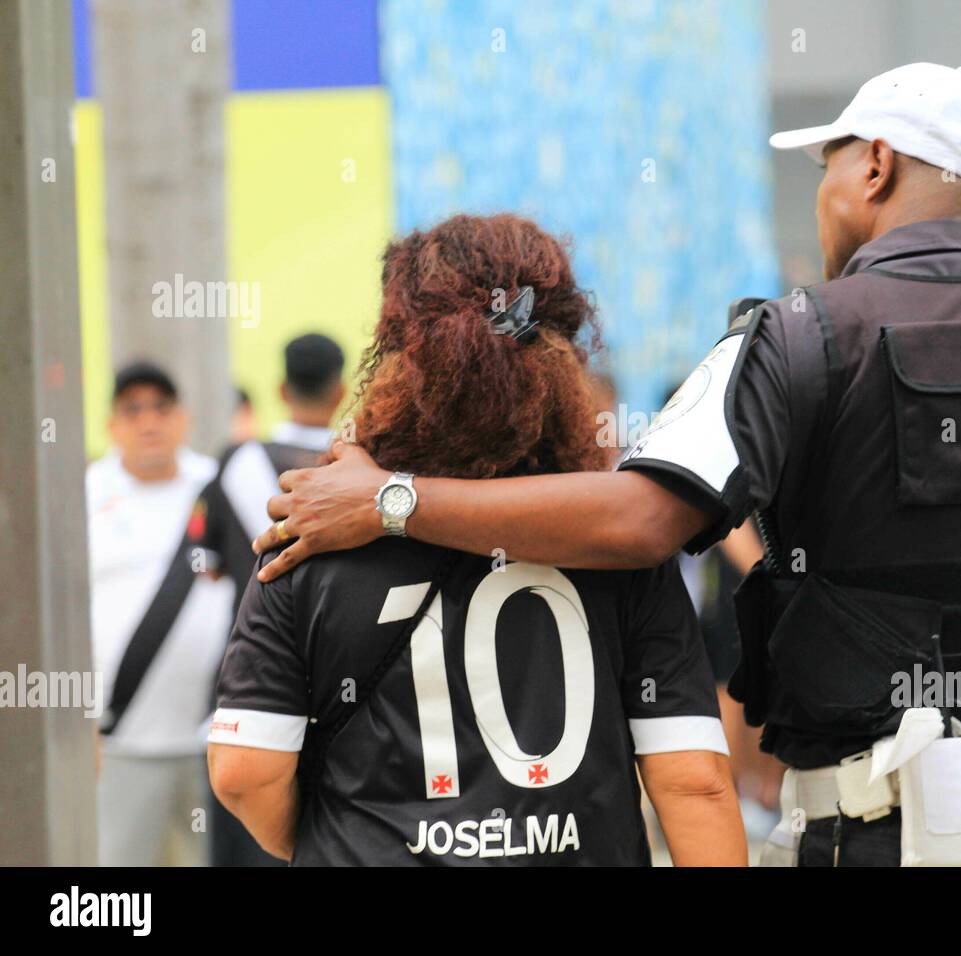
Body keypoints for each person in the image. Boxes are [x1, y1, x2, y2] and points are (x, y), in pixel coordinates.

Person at [251, 64, 961, 867]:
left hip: (873, 831)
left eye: (828, 164)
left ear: (875, 167)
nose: (822, 194)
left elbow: (642, 520)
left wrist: (393, 498)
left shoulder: (795, 337)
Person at [207, 214, 746, 866]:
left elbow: (243, 771)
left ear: (396, 356)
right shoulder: (616, 546)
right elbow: (694, 784)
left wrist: (339, 840)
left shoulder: (313, 530)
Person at [197, 333, 347, 866]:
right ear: (342, 391)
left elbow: (204, 570)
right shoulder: (362, 472)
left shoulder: (236, 463)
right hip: (345, 692)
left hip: (251, 682)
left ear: (282, 389)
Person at [87, 361, 234, 866]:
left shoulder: (216, 488)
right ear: (112, 425)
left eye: (161, 408)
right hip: (121, 741)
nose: (149, 421)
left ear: (183, 418)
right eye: (133, 410)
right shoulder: (84, 495)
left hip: (212, 740)